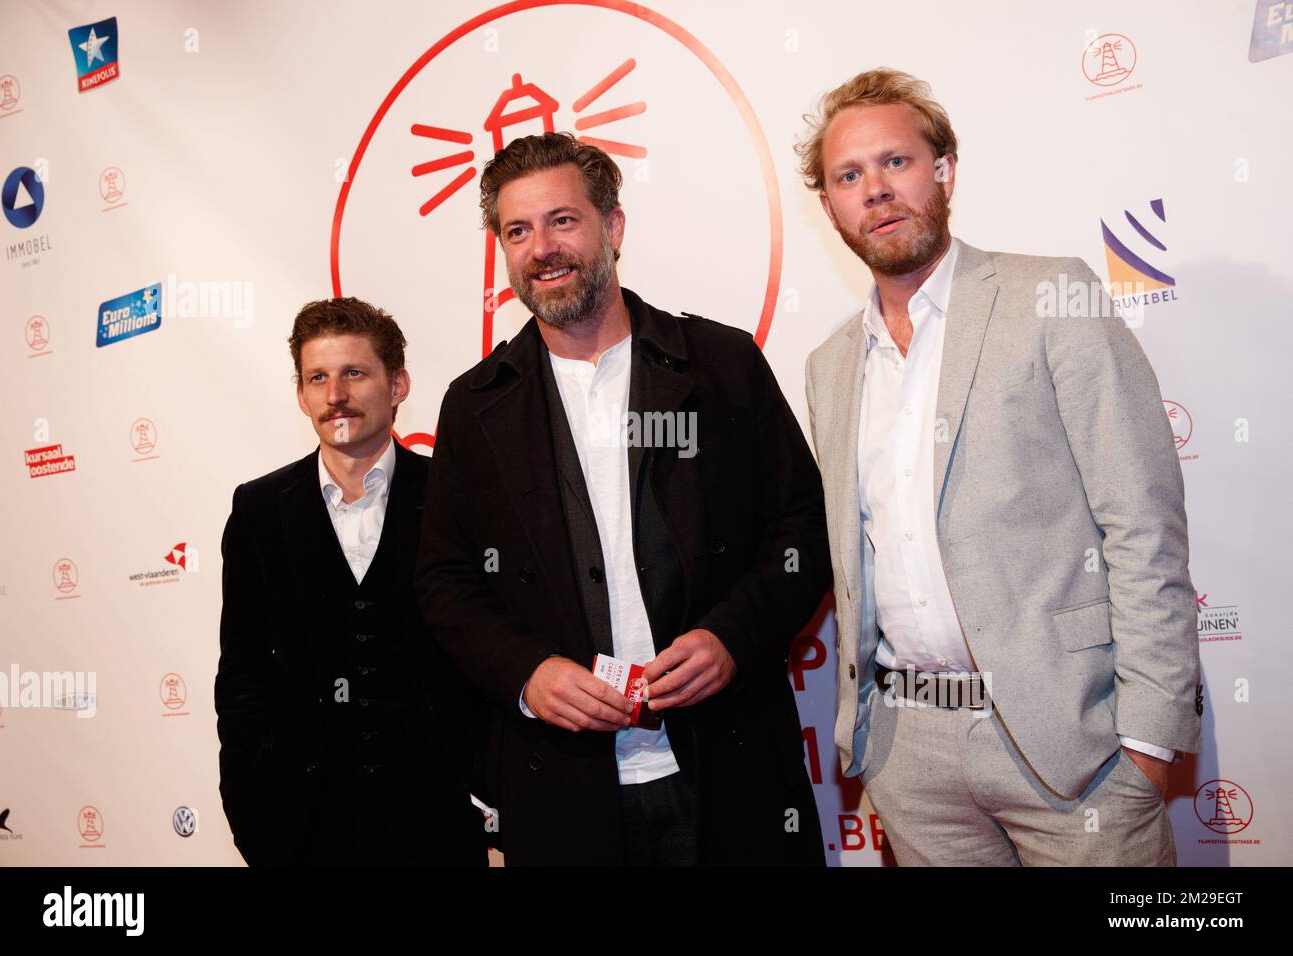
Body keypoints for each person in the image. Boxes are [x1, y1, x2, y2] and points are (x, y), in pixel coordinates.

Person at [799, 69, 1202, 865]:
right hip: (910, 755)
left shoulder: (1050, 296)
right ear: (830, 207)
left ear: (944, 170)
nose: (875, 190)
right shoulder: (829, 365)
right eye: (850, 175)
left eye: (896, 162)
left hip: (1072, 744)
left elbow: (1142, 521)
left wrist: (1149, 743)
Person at [415, 132, 830, 866]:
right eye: (518, 230)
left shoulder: (720, 365)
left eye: (562, 220)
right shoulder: (475, 405)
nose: (541, 247)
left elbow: (802, 531)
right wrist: (525, 673)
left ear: (613, 227)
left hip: (731, 769)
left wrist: (732, 636)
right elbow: (445, 585)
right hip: (564, 792)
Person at [214, 297, 486, 866]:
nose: (335, 394)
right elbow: (241, 676)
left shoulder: (451, 497)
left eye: (354, 373)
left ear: (399, 384)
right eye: (318, 377)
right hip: (303, 832)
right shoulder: (259, 509)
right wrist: (253, 813)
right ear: (301, 394)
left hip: (436, 826)